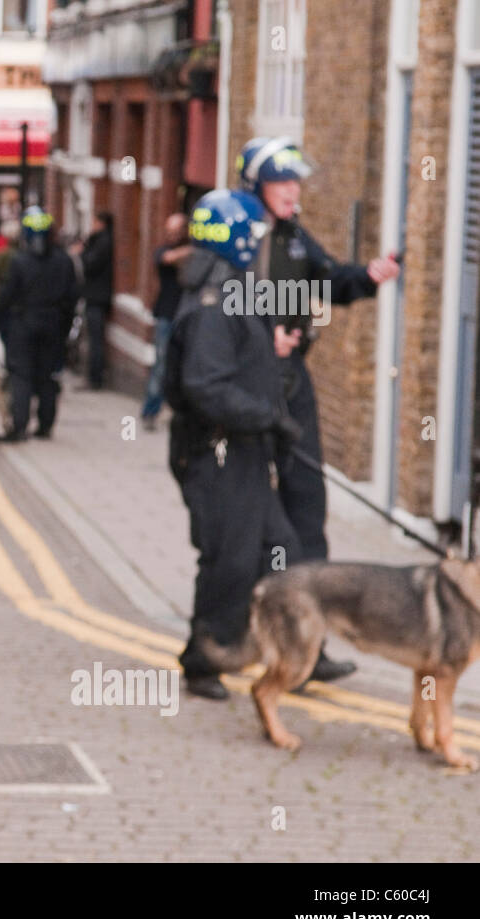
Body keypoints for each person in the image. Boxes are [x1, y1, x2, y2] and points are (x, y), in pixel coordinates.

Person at [237, 136, 401, 682]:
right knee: (253, 513)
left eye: (296, 181)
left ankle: (311, 641)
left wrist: (368, 277)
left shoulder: (294, 237)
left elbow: (327, 280)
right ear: (256, 186)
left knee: (308, 505)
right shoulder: (242, 242)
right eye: (283, 182)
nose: (293, 191)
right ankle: (247, 629)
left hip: (293, 385)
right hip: (250, 389)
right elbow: (221, 310)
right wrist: (266, 340)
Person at [164, 189, 305, 701]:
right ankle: (205, 658)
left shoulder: (230, 289)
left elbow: (238, 361)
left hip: (245, 449)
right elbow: (205, 385)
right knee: (230, 557)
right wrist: (265, 415)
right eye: (256, 231)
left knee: (281, 550)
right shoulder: (212, 301)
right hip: (218, 451)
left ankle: (255, 643)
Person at [0, 208, 79, 442]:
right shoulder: (64, 261)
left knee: (21, 375)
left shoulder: (20, 261)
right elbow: (72, 298)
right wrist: (66, 329)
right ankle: (45, 426)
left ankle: (19, 427)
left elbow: (7, 296)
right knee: (47, 376)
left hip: (22, 325)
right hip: (53, 325)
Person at [140, 213, 192, 429]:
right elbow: (168, 258)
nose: (171, 235)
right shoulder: (163, 251)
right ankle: (150, 410)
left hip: (186, 317)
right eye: (168, 231)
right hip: (167, 316)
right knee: (161, 365)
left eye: (175, 231)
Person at [72, 212, 114, 389]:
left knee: (95, 339)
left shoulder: (102, 242)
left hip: (97, 297)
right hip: (96, 296)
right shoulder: (98, 240)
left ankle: (95, 378)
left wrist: (80, 253)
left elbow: (90, 264)